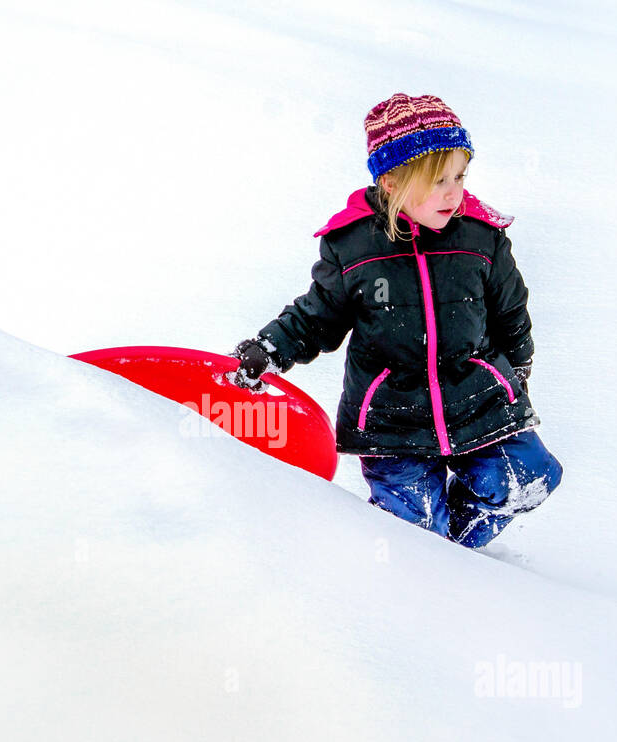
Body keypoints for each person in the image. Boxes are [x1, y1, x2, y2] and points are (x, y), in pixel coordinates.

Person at [232, 92, 562, 549]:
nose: (454, 192)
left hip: (478, 398)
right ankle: (427, 568)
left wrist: (517, 371)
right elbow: (316, 318)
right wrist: (270, 349)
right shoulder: (353, 247)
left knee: (529, 476)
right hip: (391, 419)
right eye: (438, 180)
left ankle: (460, 553)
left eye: (460, 176)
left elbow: (511, 311)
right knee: (412, 534)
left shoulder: (481, 236)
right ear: (391, 182)